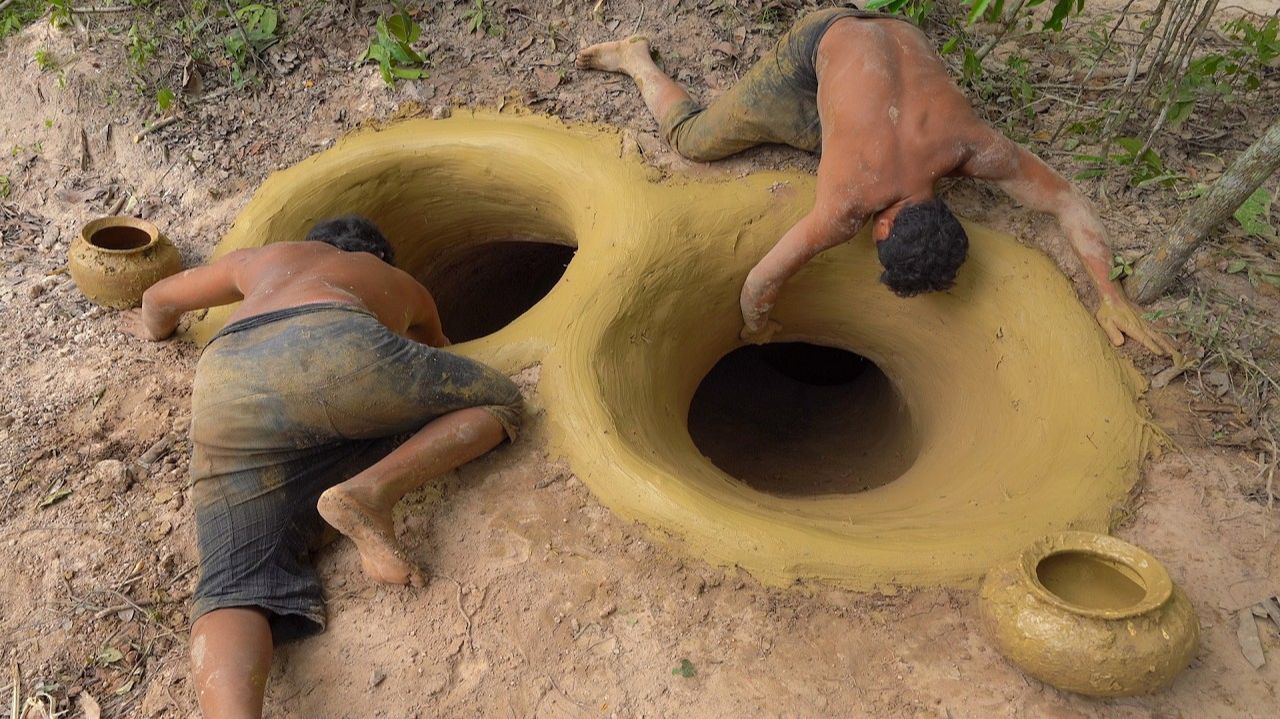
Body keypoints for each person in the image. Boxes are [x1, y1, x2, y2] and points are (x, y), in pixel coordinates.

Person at [576, 5, 1175, 355]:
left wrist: (1109, 292)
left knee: (823, 132)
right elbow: (759, 281)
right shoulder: (847, 204)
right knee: (696, 142)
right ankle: (636, 58)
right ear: (884, 223)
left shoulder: (970, 146)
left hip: (896, 29)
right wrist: (757, 329)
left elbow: (1069, 200)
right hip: (821, 40)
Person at [123, 216, 523, 719]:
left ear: (311, 242)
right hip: (338, 347)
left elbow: (158, 299)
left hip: (228, 380)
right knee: (500, 402)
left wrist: (152, 329)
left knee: (231, 582)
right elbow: (436, 354)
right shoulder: (400, 283)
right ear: (376, 257)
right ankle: (372, 491)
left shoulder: (263, 259)